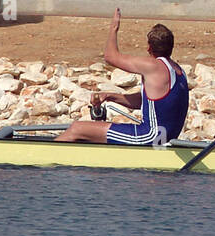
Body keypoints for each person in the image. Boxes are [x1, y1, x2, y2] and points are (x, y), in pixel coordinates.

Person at [57, 9, 190, 145]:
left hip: (150, 137)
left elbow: (110, 57)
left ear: (149, 48)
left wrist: (113, 27)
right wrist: (110, 96)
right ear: (171, 46)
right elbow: (146, 103)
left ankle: (38, 159)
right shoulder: (179, 71)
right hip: (164, 138)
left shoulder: (153, 66)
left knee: (76, 128)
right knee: (85, 131)